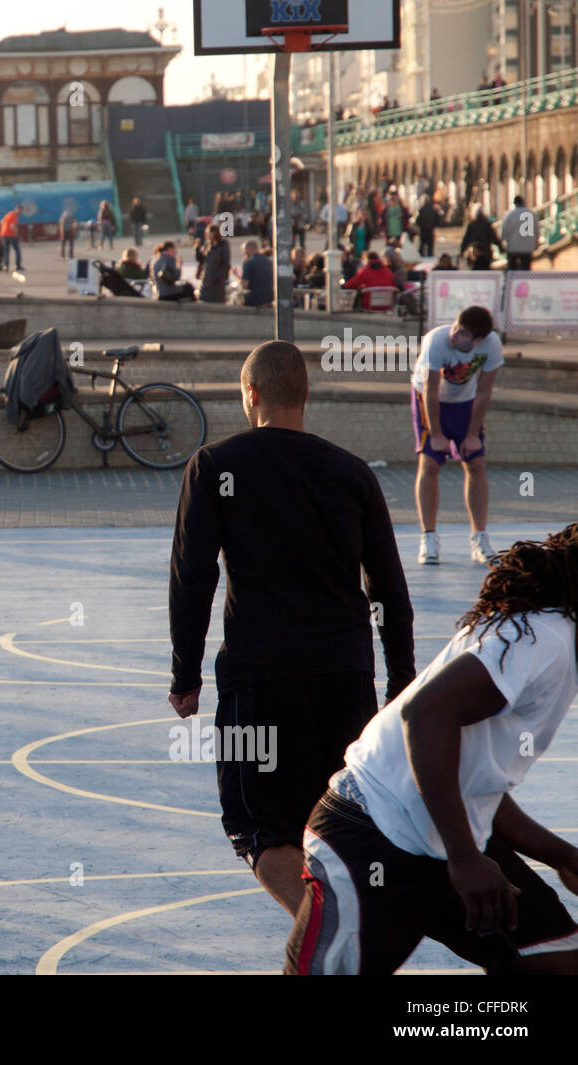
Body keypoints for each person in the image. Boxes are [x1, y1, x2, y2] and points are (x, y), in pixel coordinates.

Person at [169, 341, 416, 916]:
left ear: (250, 393)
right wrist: (399, 683)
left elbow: (192, 577)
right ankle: (342, 933)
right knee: (338, 821)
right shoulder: (352, 473)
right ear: (304, 394)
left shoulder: (215, 465)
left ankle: (331, 940)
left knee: (260, 829)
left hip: (261, 678)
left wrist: (185, 674)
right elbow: (388, 587)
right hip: (345, 677)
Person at [285, 524, 578, 975]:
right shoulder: (545, 640)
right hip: (374, 833)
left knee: (553, 958)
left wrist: (565, 857)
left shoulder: (550, 635)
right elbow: (425, 714)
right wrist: (463, 858)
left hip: (446, 839)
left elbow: (477, 788)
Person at [411, 305, 503, 567]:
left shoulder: (491, 346)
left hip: (465, 402)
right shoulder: (436, 341)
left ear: (477, 341)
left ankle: (480, 538)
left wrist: (472, 434)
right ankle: (428, 537)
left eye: (461, 333)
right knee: (429, 463)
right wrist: (437, 434)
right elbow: (430, 390)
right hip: (430, 400)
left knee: (475, 463)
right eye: (455, 327)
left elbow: (485, 391)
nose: (454, 335)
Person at [501, 196, 537, 272]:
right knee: (526, 269)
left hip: (513, 247)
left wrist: (503, 243)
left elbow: (504, 232)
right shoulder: (531, 214)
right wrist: (535, 243)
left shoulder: (509, 215)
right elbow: (536, 231)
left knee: (512, 270)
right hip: (527, 247)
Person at [197, 224, 230, 304]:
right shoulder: (207, 244)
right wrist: (197, 249)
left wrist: (217, 277)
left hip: (217, 281)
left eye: (209, 233)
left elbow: (226, 264)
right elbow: (201, 260)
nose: (207, 235)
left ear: (215, 233)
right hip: (206, 278)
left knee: (217, 301)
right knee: (203, 300)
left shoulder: (223, 245)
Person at [239, 240, 273, 307]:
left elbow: (244, 285)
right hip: (269, 298)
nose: (243, 253)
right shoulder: (268, 261)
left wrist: (236, 276)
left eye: (243, 250)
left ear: (249, 249)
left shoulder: (249, 263)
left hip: (255, 298)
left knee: (235, 296)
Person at [0, 205, 22, 272]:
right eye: (20, 210)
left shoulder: (8, 214)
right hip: (11, 235)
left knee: (6, 251)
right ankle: (18, 266)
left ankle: (6, 266)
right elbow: (12, 226)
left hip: (4, 235)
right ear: (17, 209)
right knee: (17, 251)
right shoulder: (14, 215)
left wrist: (3, 229)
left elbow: (1, 222)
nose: (20, 212)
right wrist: (17, 235)